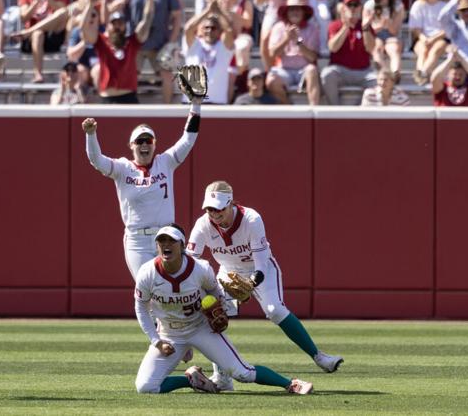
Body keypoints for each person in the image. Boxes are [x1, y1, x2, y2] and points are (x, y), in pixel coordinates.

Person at [189, 181, 342, 391]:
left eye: (219, 208)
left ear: (231, 203)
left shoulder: (251, 219)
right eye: (209, 208)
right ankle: (222, 377)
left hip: (260, 270)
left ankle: (319, 357)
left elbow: (260, 264)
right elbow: (190, 261)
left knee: (274, 310)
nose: (214, 213)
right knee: (214, 316)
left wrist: (250, 284)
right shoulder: (203, 224)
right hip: (227, 272)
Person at [132, 225, 313, 396]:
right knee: (146, 387)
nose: (166, 245)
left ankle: (291, 383)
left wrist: (221, 310)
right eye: (161, 241)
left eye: (171, 241)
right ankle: (192, 380)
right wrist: (156, 341)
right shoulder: (147, 272)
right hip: (170, 334)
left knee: (243, 373)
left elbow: (214, 291)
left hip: (201, 328)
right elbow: (140, 306)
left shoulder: (200, 268)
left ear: (182, 245)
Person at [82, 98, 201, 280]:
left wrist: (196, 104)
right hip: (138, 241)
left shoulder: (165, 162)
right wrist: (91, 135)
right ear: (131, 145)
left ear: (154, 144)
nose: (144, 145)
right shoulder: (123, 168)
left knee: (177, 287)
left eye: (148, 140)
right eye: (139, 141)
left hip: (167, 236)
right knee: (147, 289)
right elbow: (96, 160)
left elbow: (188, 139)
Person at [83, 0, 153, 104]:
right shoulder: (101, 42)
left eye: (120, 23)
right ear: (108, 26)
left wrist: (150, 0)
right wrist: (89, 6)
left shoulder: (132, 42)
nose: (117, 26)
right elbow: (85, 28)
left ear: (125, 26)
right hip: (107, 98)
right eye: (114, 24)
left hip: (128, 97)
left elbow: (147, 21)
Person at [265, 0, 321, 105]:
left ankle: (314, 111)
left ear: (303, 12)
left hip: (304, 69)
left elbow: (313, 57)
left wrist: (298, 42)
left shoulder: (312, 29)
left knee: (312, 70)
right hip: (284, 69)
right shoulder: (278, 27)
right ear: (287, 12)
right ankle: (290, 109)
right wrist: (287, 39)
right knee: (270, 81)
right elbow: (272, 54)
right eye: (292, 9)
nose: (295, 12)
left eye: (298, 9)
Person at [321, 0, 375, 105]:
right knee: (327, 74)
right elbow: (333, 48)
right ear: (343, 8)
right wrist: (345, 26)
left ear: (360, 8)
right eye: (349, 5)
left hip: (363, 72)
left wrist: (365, 28)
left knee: (379, 80)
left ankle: (363, 112)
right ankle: (335, 111)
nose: (353, 8)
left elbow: (370, 49)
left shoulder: (366, 26)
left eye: (356, 5)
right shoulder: (335, 25)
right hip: (341, 71)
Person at [182, 1, 235, 105]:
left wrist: (218, 11)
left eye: (213, 28)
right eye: (206, 27)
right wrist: (207, 11)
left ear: (220, 31)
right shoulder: (194, 45)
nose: (209, 30)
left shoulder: (224, 48)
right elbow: (188, 28)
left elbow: (229, 30)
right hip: (192, 102)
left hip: (216, 103)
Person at [409, 0, 448, 85]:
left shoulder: (444, 6)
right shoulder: (418, 5)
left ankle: (423, 73)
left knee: (434, 51)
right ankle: (420, 74)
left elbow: (447, 29)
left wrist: (433, 39)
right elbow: (416, 28)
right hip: (422, 38)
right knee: (422, 51)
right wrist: (424, 39)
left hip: (440, 39)